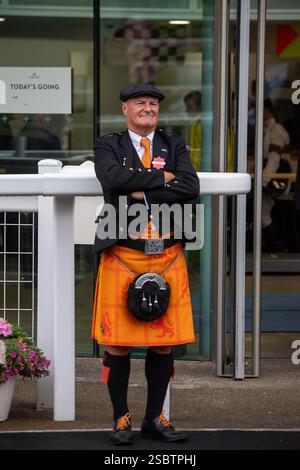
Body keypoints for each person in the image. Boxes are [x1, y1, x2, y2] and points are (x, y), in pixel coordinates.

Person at [92, 83, 199, 445]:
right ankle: (120, 419)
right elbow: (112, 178)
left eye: (153, 103)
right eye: (140, 103)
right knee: (118, 344)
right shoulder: (109, 144)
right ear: (125, 108)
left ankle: (155, 418)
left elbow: (190, 187)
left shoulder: (174, 144)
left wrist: (138, 188)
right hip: (123, 250)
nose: (148, 108)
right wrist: (162, 179)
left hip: (167, 252)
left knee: (163, 344)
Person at [262, 99, 291, 251]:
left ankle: (277, 245)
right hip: (273, 178)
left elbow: (274, 158)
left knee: (263, 214)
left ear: (267, 111)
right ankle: (275, 244)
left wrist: (264, 180)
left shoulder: (276, 131)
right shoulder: (269, 130)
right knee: (264, 213)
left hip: (277, 179)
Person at [184, 91, 202, 171]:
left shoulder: (200, 124)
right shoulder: (195, 123)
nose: (187, 110)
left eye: (190, 107)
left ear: (199, 107)